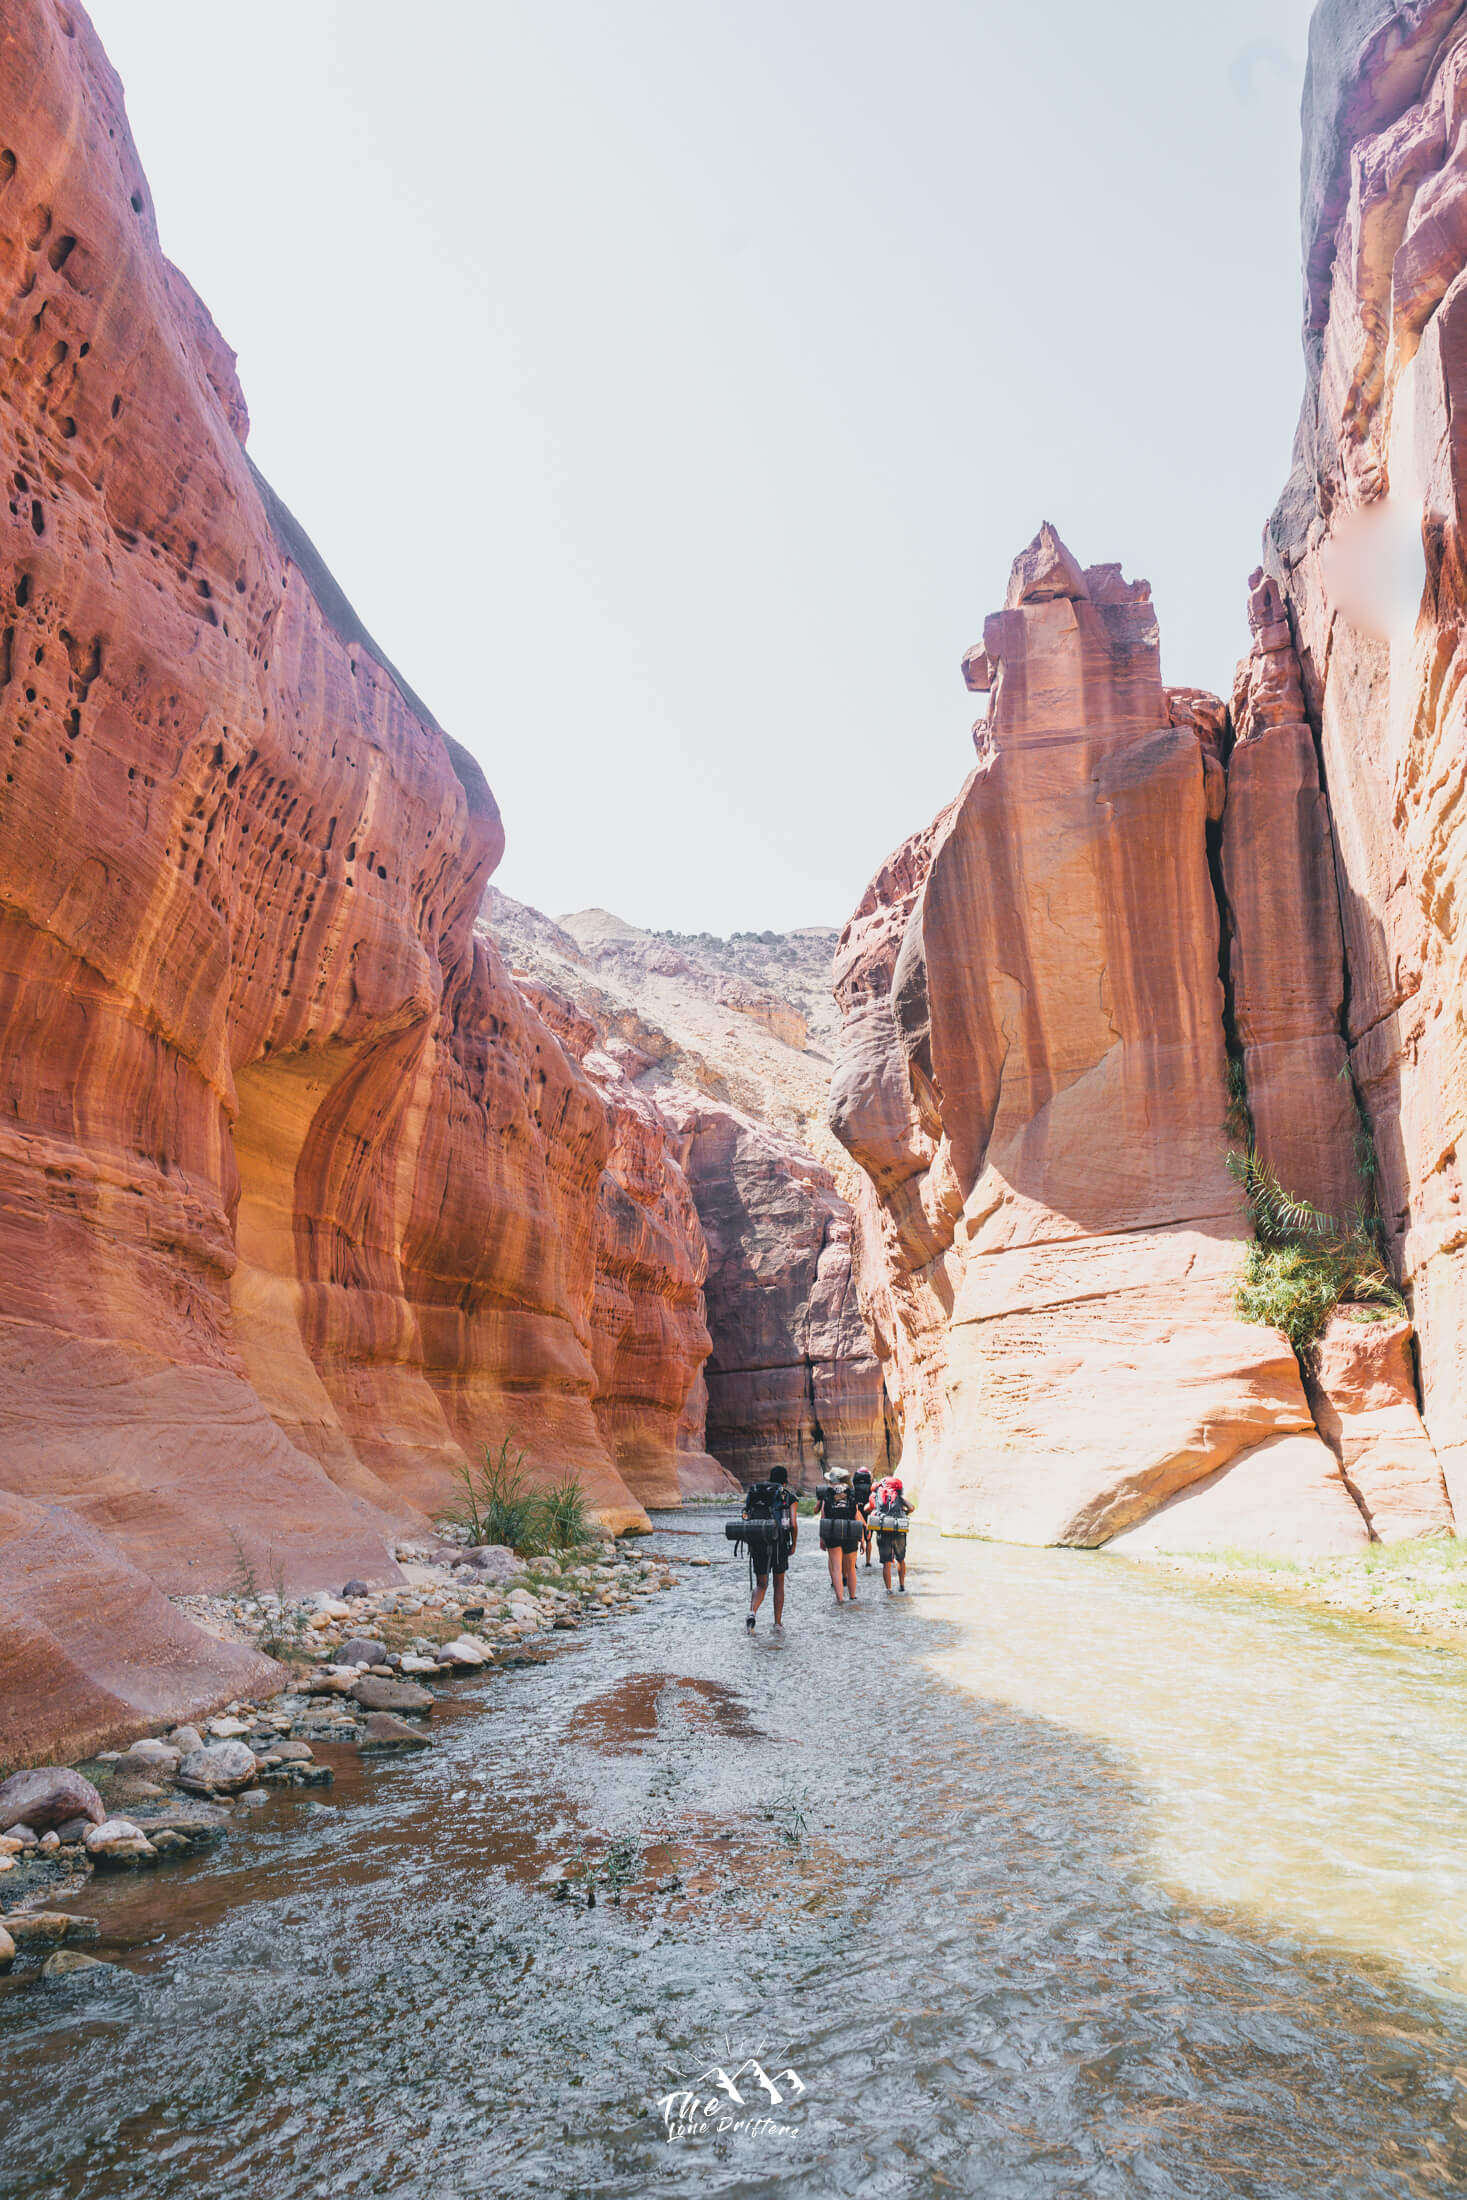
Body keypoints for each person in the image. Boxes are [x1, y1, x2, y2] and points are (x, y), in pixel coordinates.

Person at [743, 1463, 797, 1633]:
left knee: (761, 1583)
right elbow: (793, 1524)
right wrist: (794, 1544)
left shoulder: (757, 1492)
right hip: (779, 1542)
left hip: (759, 1539)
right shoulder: (787, 1495)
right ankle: (777, 1623)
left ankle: (752, 1612)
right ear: (785, 1482)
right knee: (778, 1583)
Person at [811, 1465, 862, 1603]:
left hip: (832, 1531)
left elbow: (823, 1516)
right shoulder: (851, 1492)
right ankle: (852, 1596)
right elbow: (856, 1515)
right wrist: (862, 1538)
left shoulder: (827, 1493)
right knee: (851, 1568)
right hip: (851, 1531)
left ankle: (840, 1599)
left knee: (836, 1568)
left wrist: (822, 1538)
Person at [872, 1474, 915, 1592]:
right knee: (900, 1559)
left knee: (886, 1562)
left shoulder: (877, 1496)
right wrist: (904, 1512)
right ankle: (901, 1586)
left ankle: (888, 1589)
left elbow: (869, 1508)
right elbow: (911, 1508)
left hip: (883, 1529)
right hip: (898, 1530)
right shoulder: (899, 1498)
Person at [852, 1467, 874, 1570]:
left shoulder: (854, 1487)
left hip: (856, 1513)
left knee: (855, 1539)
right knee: (868, 1539)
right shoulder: (870, 1487)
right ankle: (868, 1562)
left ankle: (854, 1562)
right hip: (868, 1513)